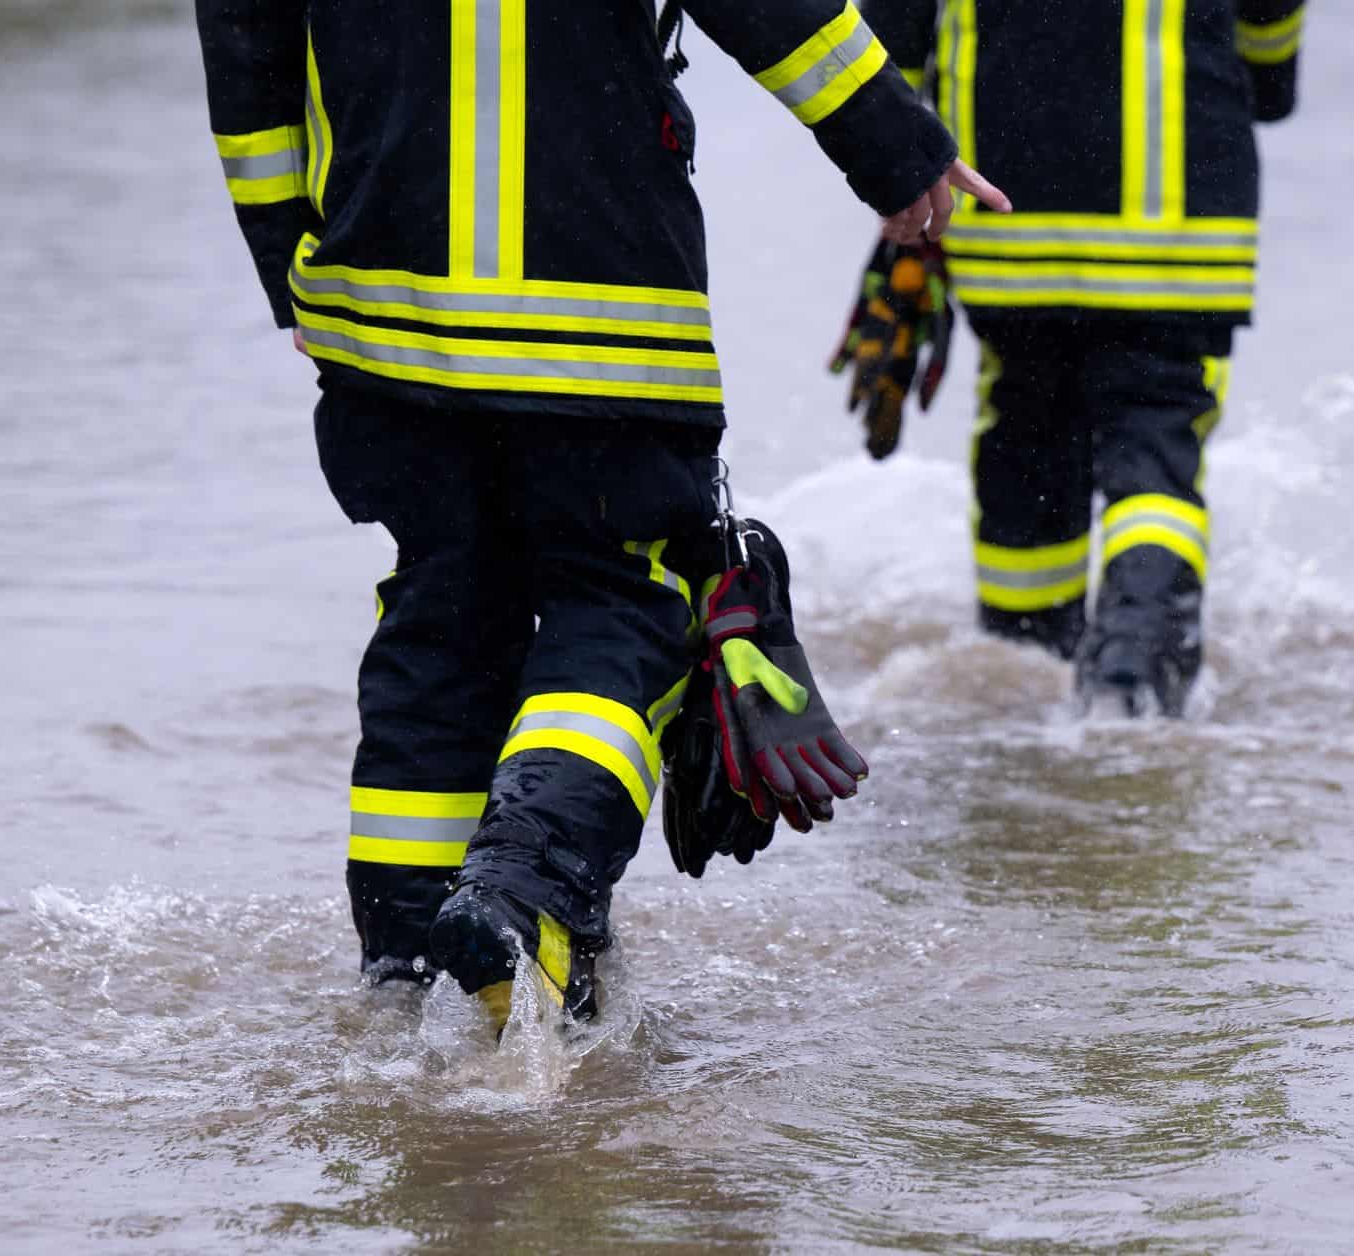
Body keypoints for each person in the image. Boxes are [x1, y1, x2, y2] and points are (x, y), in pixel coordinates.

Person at [193, 0, 1008, 1022]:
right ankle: (521, 892)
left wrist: (288, 259)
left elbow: (246, 45)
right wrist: (896, 146)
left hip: (381, 315)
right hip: (604, 312)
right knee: (625, 605)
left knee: (440, 624)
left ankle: (404, 966)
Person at [833, 0, 1305, 715]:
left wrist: (902, 184)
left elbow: (891, 45)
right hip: (1173, 243)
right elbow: (1270, 41)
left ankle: (1020, 688)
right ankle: (1130, 692)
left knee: (1025, 446)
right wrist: (1269, 76)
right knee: (1155, 457)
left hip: (1005, 231)